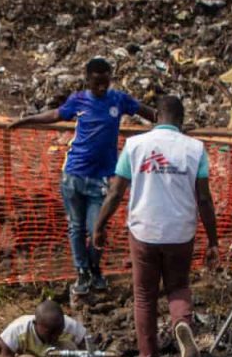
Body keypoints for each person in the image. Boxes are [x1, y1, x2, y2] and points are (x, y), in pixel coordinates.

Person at [94, 94, 217, 357]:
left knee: (145, 295)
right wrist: (213, 240)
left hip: (144, 230)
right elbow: (205, 199)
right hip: (180, 232)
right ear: (181, 120)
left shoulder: (135, 145)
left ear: (156, 116)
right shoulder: (195, 149)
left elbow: (115, 192)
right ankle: (181, 322)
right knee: (177, 286)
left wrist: (100, 225)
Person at [9, 57, 146, 297]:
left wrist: (170, 124)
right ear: (88, 81)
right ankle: (82, 272)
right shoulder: (78, 100)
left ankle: (95, 267)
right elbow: (54, 115)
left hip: (102, 178)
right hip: (73, 175)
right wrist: (26, 120)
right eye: (97, 83)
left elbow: (146, 110)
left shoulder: (118, 100)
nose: (102, 87)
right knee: (76, 227)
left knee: (96, 229)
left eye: (105, 82)